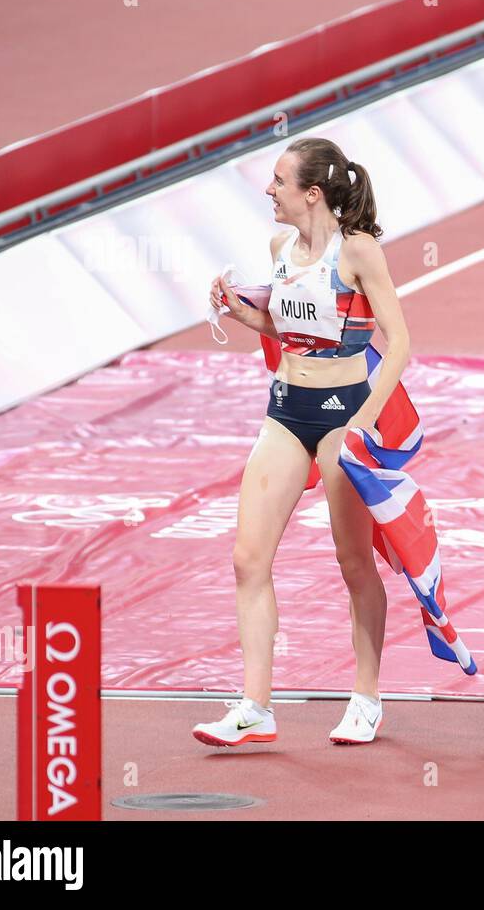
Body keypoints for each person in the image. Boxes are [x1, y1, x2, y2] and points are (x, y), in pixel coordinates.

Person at [193, 137, 410, 745]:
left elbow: (399, 343)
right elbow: (288, 327)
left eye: (279, 181)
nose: (269, 190)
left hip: (343, 417)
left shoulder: (359, 252)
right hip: (286, 412)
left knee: (353, 562)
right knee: (247, 559)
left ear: (312, 193)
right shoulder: (280, 247)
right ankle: (255, 707)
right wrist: (243, 312)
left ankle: (366, 696)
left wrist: (366, 418)